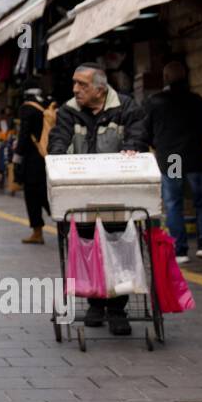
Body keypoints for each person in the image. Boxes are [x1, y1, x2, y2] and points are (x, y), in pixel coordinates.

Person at [47, 62, 149, 334]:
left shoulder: (127, 108)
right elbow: (58, 140)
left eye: (82, 84)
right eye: (74, 83)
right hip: (83, 196)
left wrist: (132, 150)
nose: (75, 89)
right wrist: (57, 159)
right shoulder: (69, 110)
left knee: (119, 248)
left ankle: (118, 309)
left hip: (118, 195)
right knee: (88, 247)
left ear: (100, 89)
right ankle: (95, 303)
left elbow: (137, 137)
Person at [145, 61, 202, 265]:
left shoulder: (155, 102)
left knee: (174, 203)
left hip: (173, 159)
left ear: (166, 78)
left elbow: (148, 131)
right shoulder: (197, 100)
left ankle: (180, 250)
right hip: (194, 157)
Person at [15, 87, 51, 245]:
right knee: (45, 193)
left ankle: (37, 232)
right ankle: (66, 225)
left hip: (32, 158)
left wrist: (17, 156)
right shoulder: (46, 106)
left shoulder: (27, 109)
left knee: (33, 195)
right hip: (46, 155)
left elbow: (24, 134)